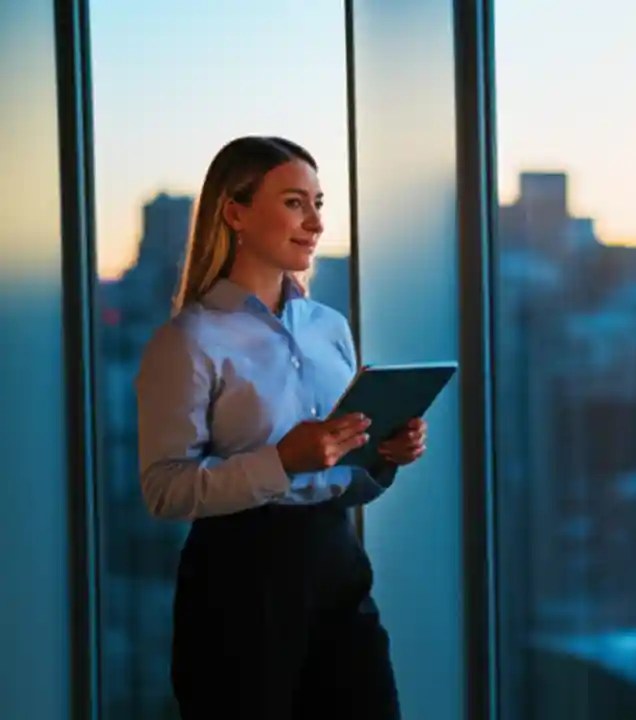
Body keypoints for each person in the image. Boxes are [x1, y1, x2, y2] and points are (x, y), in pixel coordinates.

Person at [134, 135, 423, 719]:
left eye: (319, 203)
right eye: (295, 203)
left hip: (338, 564)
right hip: (238, 582)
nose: (315, 222)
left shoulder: (329, 328)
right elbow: (164, 490)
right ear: (235, 213)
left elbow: (336, 478)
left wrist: (382, 456)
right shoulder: (188, 340)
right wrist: (282, 461)